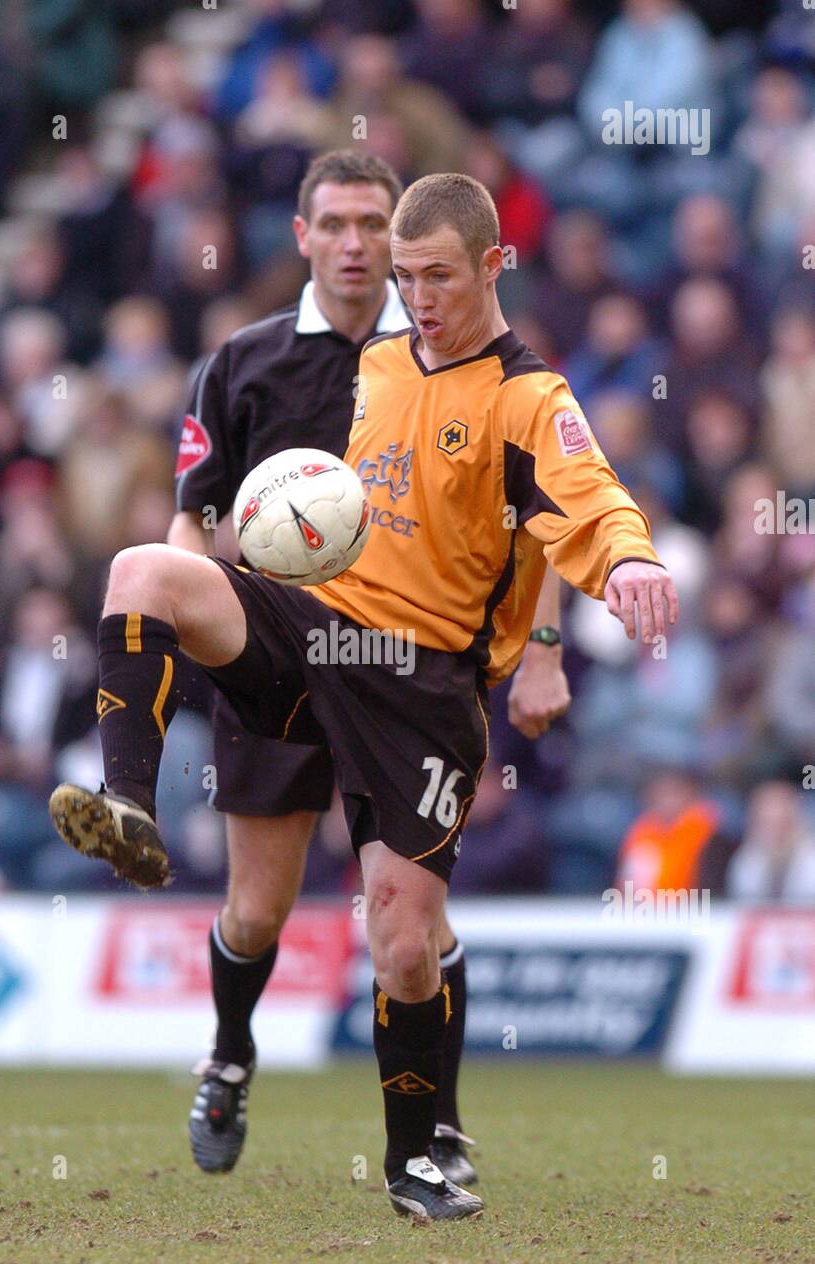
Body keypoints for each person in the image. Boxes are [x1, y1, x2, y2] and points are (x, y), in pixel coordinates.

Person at [50, 171, 678, 1221]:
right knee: (140, 573)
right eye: (405, 274)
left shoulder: (531, 399)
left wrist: (625, 564)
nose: (418, 296)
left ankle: (415, 1156)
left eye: (438, 276)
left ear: (491, 267)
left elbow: (585, 501)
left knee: (400, 940)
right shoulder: (379, 363)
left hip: (422, 683)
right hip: (316, 628)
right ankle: (129, 806)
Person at [170, 150, 570, 1188]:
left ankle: (433, 1125)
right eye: (335, 224)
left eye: (373, 226)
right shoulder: (241, 362)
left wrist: (543, 646)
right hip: (279, 657)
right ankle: (229, 1053)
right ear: (301, 236)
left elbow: (541, 502)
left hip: (402, 666)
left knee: (411, 918)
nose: (356, 245)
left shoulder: (454, 352)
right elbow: (194, 514)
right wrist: (200, 615)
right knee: (257, 909)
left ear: (405, 242)